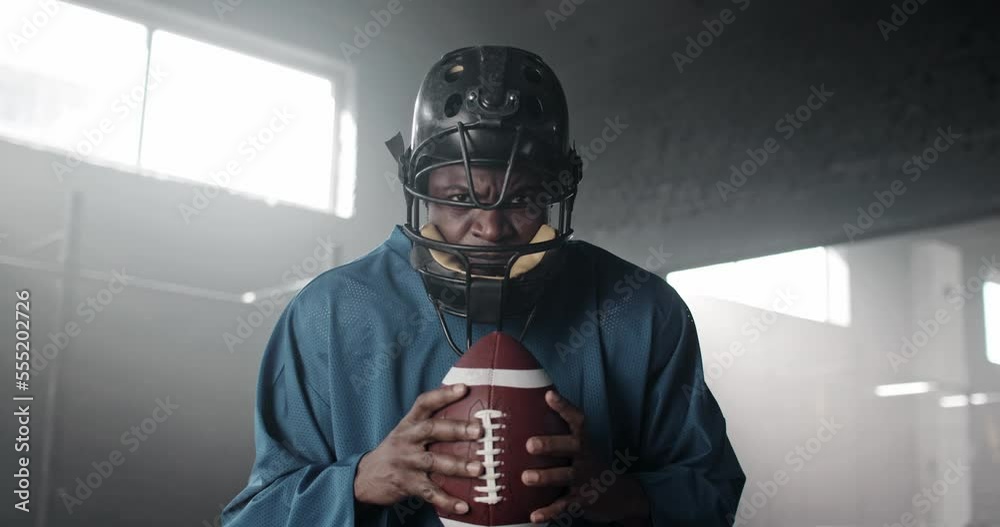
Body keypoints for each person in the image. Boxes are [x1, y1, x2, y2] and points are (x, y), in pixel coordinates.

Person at [222, 45, 744, 526]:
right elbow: (253, 516)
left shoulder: (640, 310)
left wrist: (609, 490)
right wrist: (359, 481)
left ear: (556, 196)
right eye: (458, 197)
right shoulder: (332, 310)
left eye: (521, 200)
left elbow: (712, 496)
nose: (490, 228)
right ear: (420, 191)